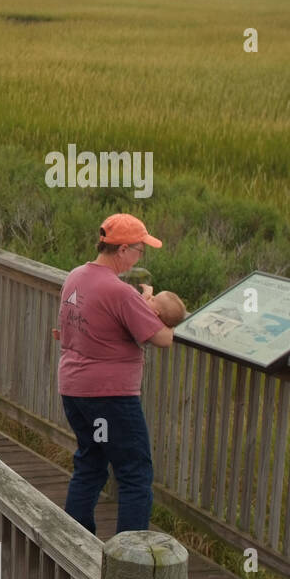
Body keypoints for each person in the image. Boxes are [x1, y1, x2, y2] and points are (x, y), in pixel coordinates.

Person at [57, 213, 175, 536]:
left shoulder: (76, 277)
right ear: (122, 249)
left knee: (91, 464)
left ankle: (74, 542)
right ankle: (129, 556)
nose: (140, 257)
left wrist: (142, 303)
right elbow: (162, 338)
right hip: (110, 397)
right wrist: (174, 319)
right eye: (139, 250)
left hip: (74, 390)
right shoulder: (119, 292)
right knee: (135, 474)